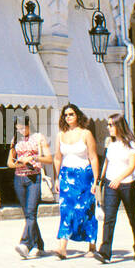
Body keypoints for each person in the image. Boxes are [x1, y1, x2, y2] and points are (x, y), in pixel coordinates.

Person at [95, 113, 135, 263]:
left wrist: (119, 179)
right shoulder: (111, 144)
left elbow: (131, 167)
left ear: (119, 125)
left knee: (133, 218)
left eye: (111, 125)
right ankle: (105, 252)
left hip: (127, 185)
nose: (108, 128)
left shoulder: (131, 144)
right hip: (111, 184)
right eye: (108, 125)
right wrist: (99, 180)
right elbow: (107, 163)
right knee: (109, 218)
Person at [52, 103, 99, 259]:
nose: (68, 117)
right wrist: (56, 178)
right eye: (65, 115)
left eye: (71, 114)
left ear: (77, 115)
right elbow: (57, 158)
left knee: (86, 210)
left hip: (84, 176)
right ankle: (62, 247)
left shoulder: (86, 134)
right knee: (65, 210)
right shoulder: (60, 135)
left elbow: (93, 157)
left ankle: (92, 245)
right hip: (66, 175)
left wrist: (96, 180)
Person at [7, 114, 51, 259]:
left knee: (31, 212)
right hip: (19, 178)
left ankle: (25, 244)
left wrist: (33, 158)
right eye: (18, 128)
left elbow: (49, 159)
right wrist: (21, 162)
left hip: (34, 178)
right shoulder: (15, 140)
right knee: (28, 214)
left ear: (28, 125)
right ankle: (39, 245)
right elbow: (10, 163)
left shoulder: (39, 138)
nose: (20, 130)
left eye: (22, 127)